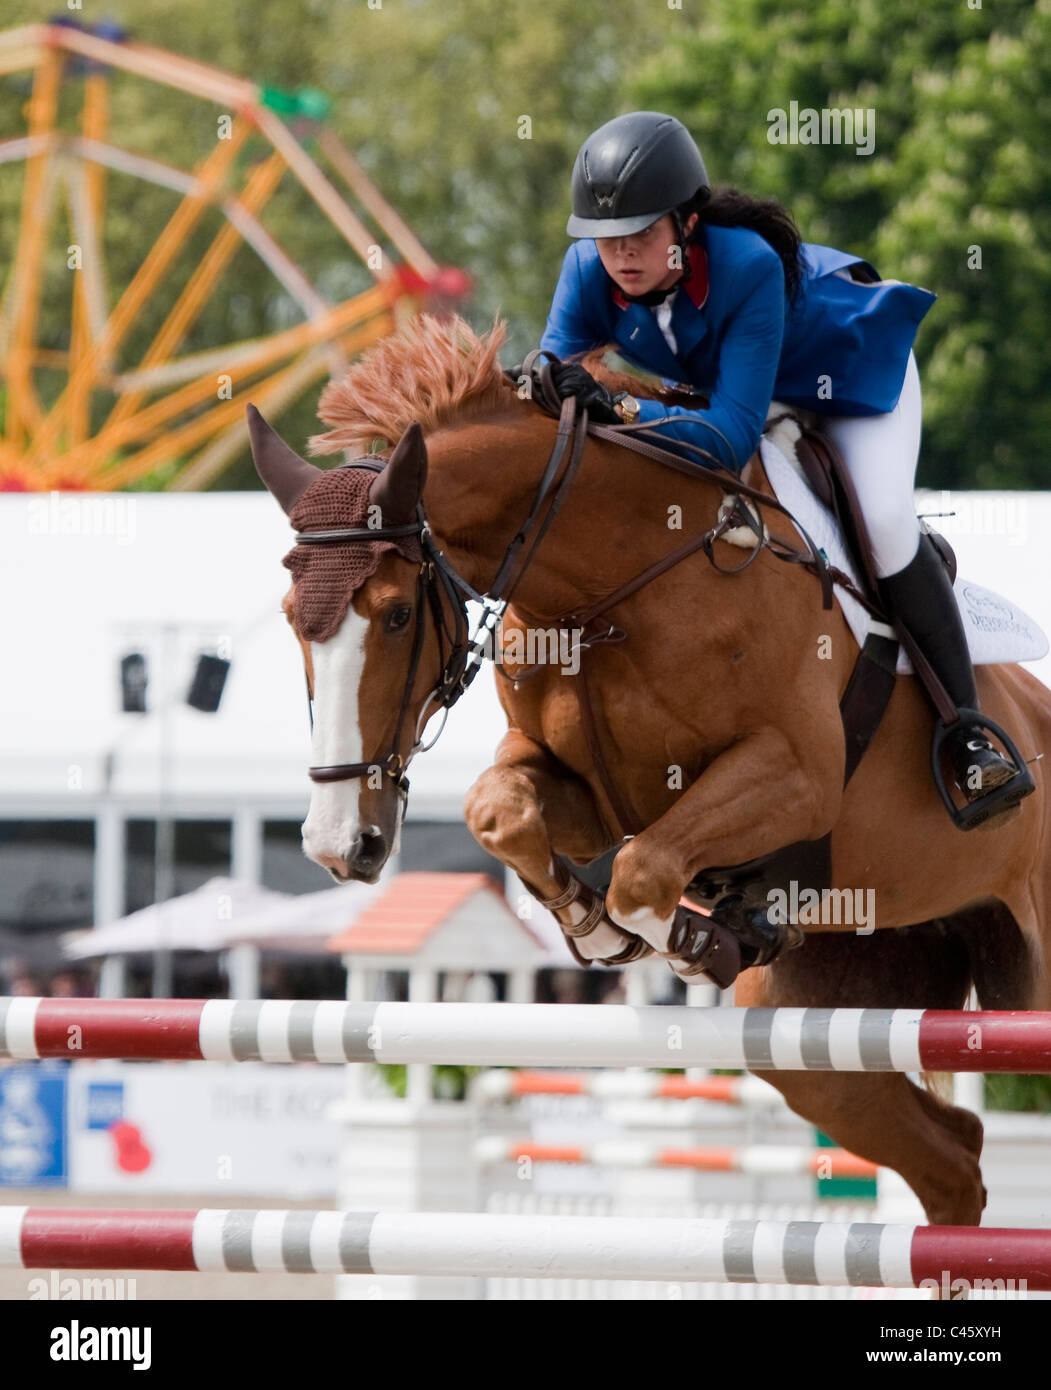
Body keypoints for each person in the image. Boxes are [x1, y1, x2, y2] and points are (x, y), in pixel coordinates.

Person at [539, 110, 1032, 828]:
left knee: (887, 523)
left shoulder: (746, 266)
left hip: (850, 379)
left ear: (685, 223)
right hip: (735, 390)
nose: (621, 255)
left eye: (641, 234)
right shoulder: (587, 269)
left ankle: (968, 733)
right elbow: (556, 382)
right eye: (606, 240)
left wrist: (621, 412)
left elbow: (729, 438)